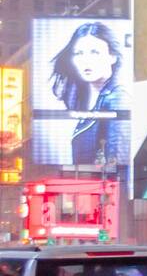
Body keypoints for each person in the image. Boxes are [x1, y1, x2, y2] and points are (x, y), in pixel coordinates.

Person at [47, 21, 130, 167]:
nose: (86, 60)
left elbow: (119, 161)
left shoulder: (117, 99)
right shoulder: (90, 102)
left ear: (113, 56)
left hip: (106, 186)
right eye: (79, 53)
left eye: (94, 52)